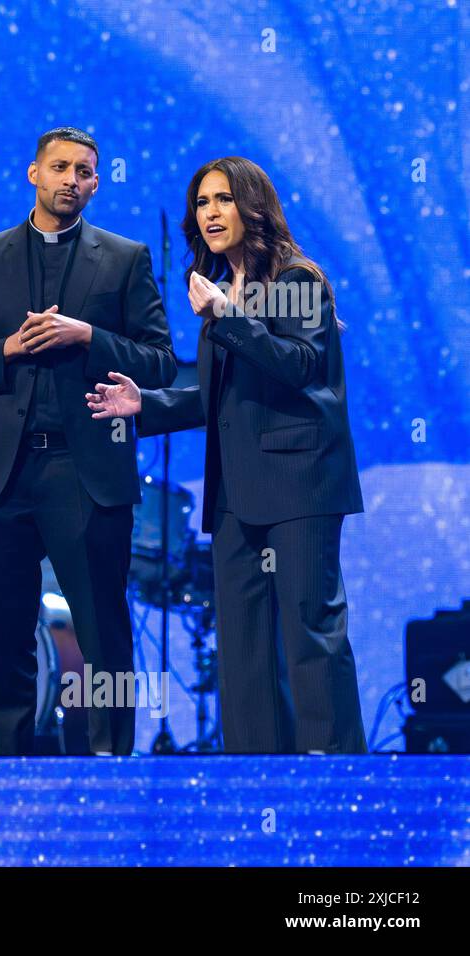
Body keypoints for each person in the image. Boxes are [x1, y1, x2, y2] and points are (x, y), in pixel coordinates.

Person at [86, 156, 367, 754]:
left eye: (223, 200)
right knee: (244, 648)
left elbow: (298, 366)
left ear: (253, 207)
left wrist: (225, 315)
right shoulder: (221, 296)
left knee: (310, 633)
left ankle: (338, 779)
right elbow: (222, 400)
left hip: (300, 485)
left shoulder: (297, 281)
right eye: (202, 203)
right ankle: (254, 777)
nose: (210, 213)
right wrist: (147, 405)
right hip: (236, 494)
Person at [0, 127, 177, 756]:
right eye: (61, 167)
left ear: (97, 184)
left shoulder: (125, 259)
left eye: (86, 172)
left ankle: (111, 763)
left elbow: (159, 363)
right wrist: (8, 349)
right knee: (6, 634)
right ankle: (4, 772)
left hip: (86, 469)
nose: (73, 179)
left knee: (103, 631)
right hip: (2, 475)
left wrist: (86, 336)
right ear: (34, 174)